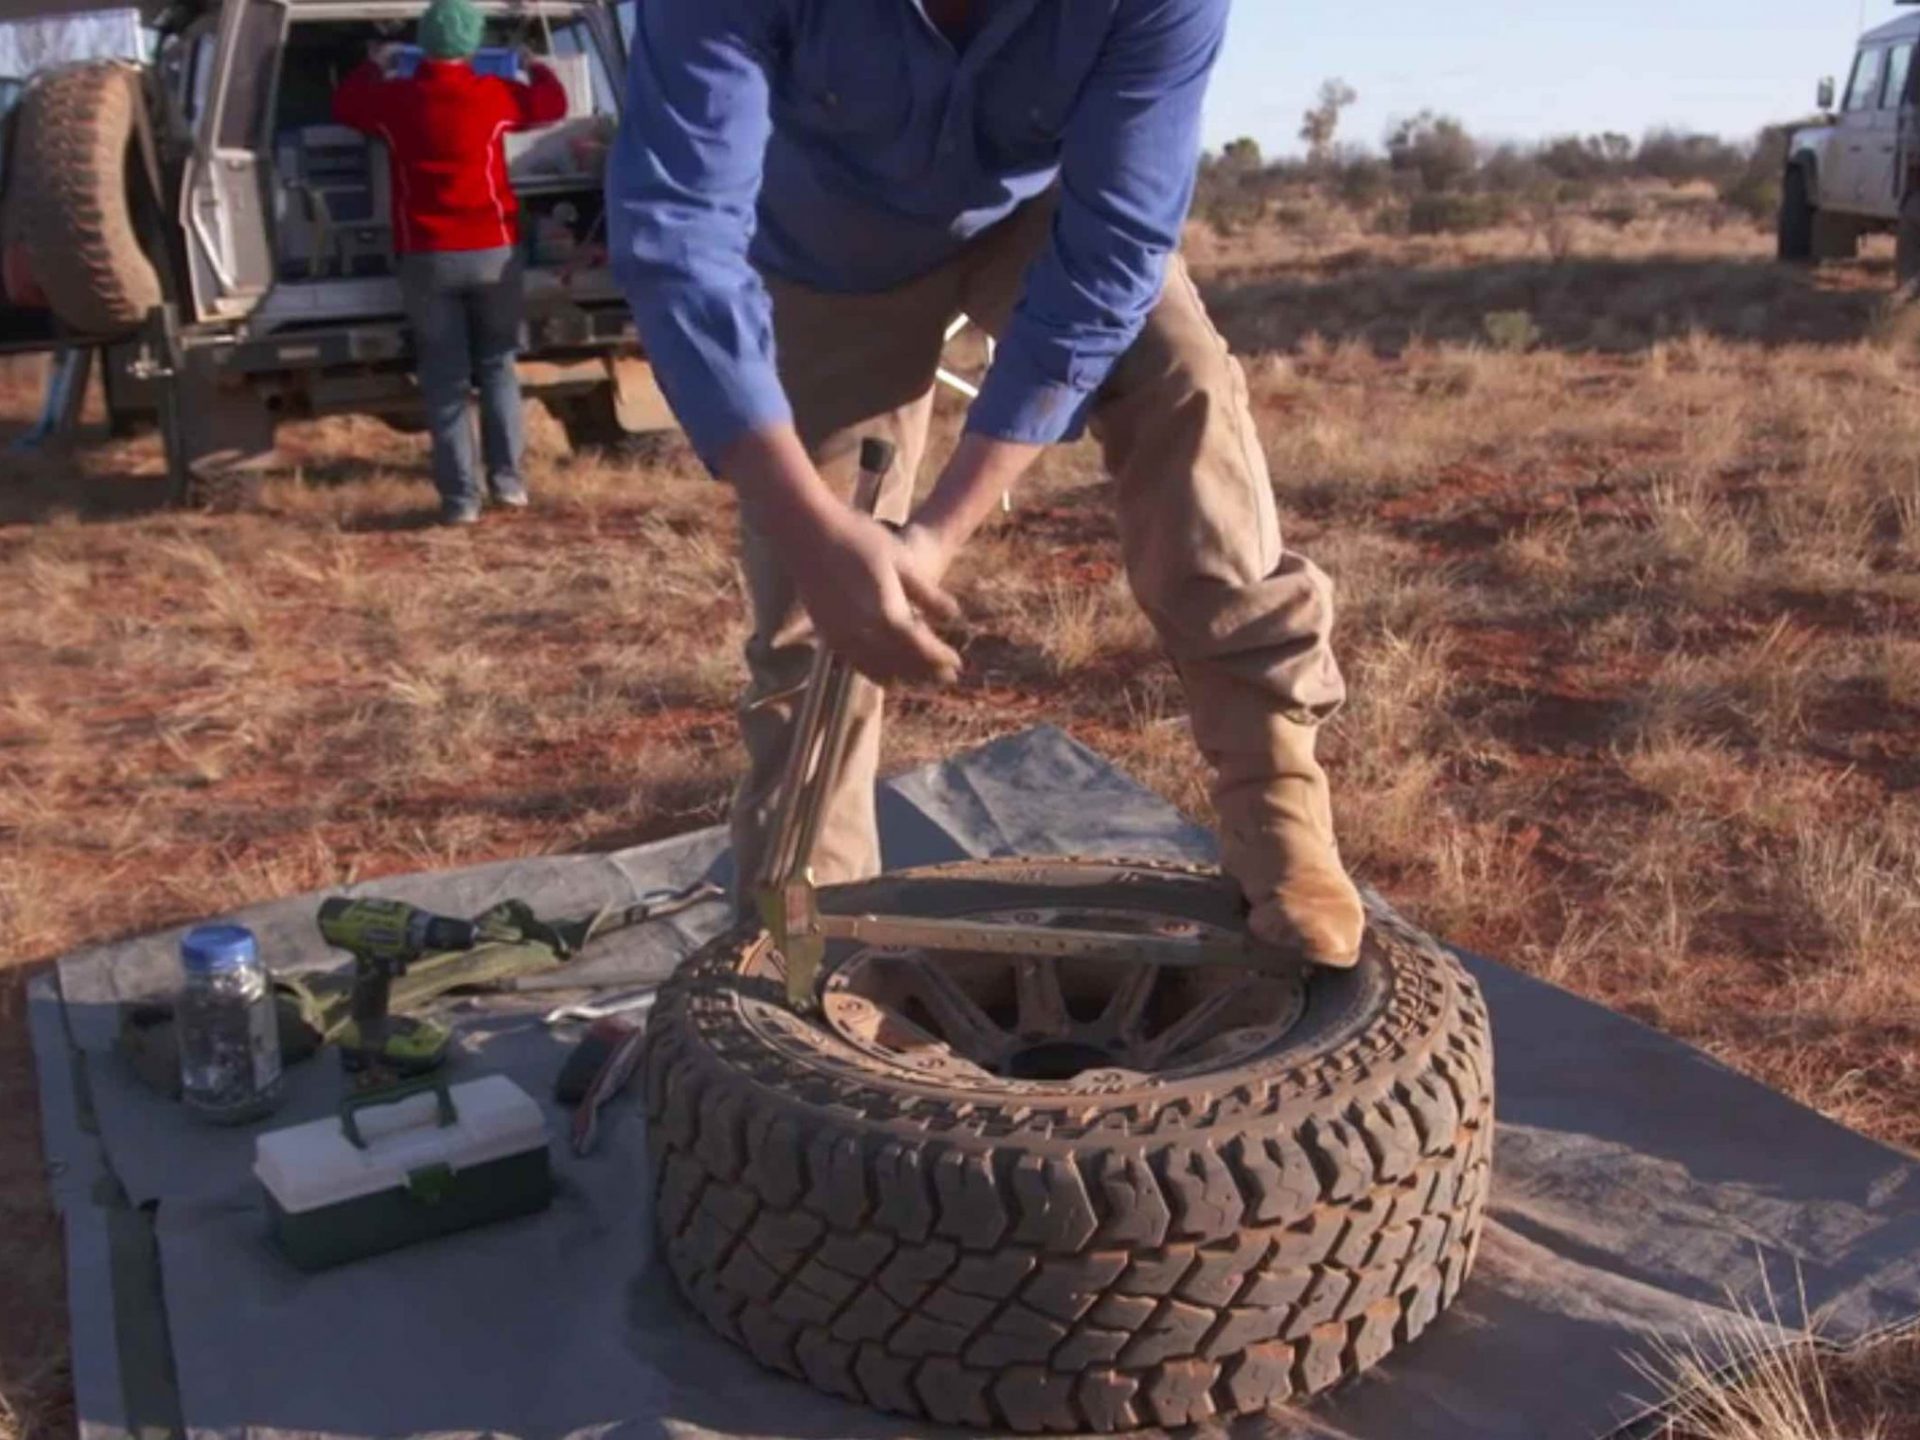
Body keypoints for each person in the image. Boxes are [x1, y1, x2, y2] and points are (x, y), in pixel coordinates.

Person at [607, 0, 1366, 968]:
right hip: (823, 249)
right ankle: (804, 944)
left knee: (1184, 386)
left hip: (1033, 219)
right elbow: (677, 234)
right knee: (812, 618)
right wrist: (808, 524)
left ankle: (1279, 815)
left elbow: (1111, 257)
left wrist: (937, 533)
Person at [333, 0, 566, 525]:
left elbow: (346, 105)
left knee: (445, 377)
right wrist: (533, 64)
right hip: (493, 250)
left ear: (423, 41)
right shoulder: (492, 95)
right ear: (473, 43)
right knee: (498, 365)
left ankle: (461, 501)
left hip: (427, 254)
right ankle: (509, 485)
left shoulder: (396, 100)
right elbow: (552, 104)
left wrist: (376, 63)